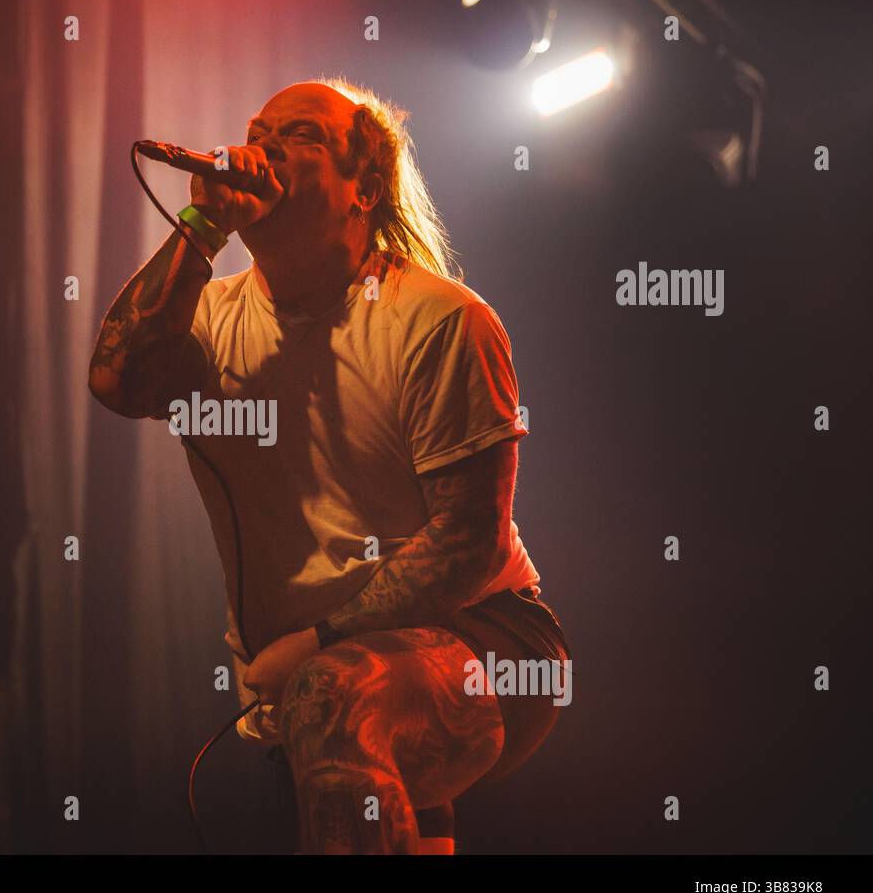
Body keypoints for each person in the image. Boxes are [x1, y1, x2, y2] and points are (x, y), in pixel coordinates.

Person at [89, 77, 570, 853]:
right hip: (311, 669)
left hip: (491, 639)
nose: (265, 145)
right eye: (257, 129)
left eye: (301, 135)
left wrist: (316, 643)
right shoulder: (211, 318)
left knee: (336, 698)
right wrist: (201, 224)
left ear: (365, 187)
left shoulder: (440, 319)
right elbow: (118, 380)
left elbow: (467, 542)